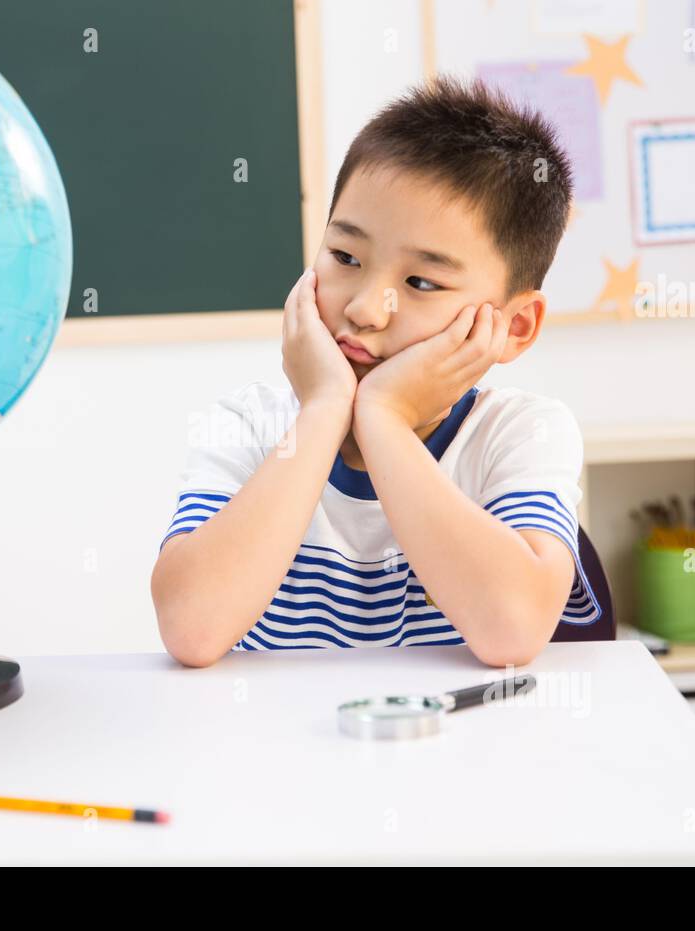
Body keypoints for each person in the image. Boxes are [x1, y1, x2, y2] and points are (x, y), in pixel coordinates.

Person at [151, 74, 601, 667]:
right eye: (345, 257)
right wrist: (324, 410)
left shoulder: (520, 433)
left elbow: (512, 632)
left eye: (421, 282)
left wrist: (384, 418)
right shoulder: (249, 424)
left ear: (514, 326)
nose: (365, 308)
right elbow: (191, 628)